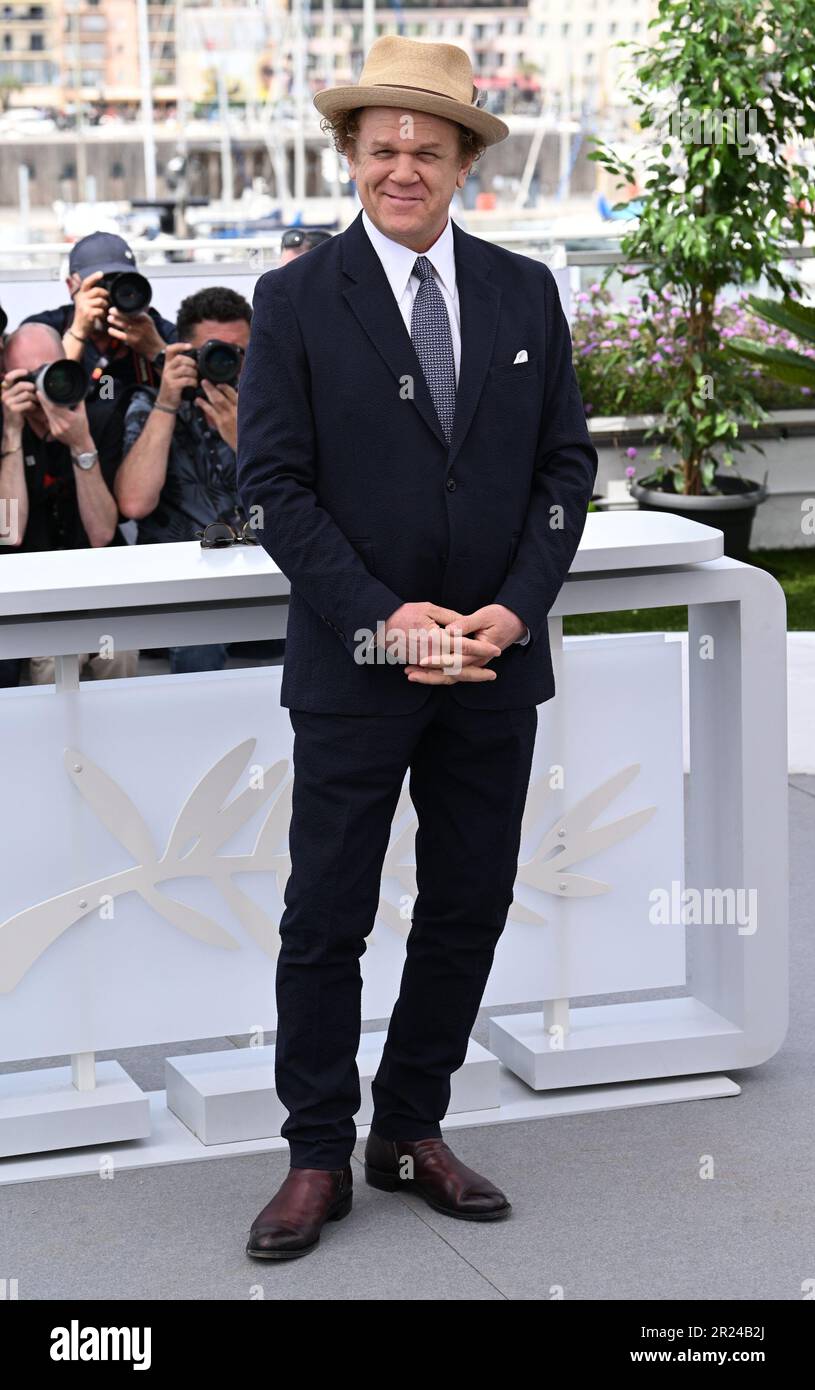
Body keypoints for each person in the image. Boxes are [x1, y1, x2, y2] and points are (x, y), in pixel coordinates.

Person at [236, 35, 598, 1259]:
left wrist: (512, 604)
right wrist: (385, 620)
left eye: (426, 150)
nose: (403, 166)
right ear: (350, 155)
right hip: (357, 663)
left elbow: (563, 467)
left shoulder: (522, 291)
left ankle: (411, 1127)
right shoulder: (291, 302)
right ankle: (314, 1153)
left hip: (494, 658)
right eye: (382, 146)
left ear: (461, 165)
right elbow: (275, 488)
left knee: (467, 904)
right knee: (325, 911)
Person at [115, 286, 253, 674]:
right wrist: (167, 401)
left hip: (261, 579)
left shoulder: (272, 404)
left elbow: (309, 494)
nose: (227, 363)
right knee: (200, 644)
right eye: (213, 351)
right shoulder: (150, 402)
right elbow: (134, 504)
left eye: (238, 353)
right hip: (181, 585)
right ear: (185, 352)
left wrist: (245, 440)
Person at [0, 323, 138, 684]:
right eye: (30, 377)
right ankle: (58, 742)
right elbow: (8, 534)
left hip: (95, 583)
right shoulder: (5, 426)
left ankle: (120, 737)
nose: (45, 386)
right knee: (54, 662)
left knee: (117, 651)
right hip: (31, 594)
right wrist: (12, 436)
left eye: (51, 372)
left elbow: (102, 533)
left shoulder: (98, 416)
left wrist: (81, 445)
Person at [22, 231, 177, 492]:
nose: (112, 295)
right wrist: (78, 333)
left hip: (145, 478)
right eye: (101, 285)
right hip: (69, 476)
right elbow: (37, 405)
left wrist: (156, 351)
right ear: (72, 286)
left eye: (122, 283)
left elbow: (197, 389)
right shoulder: (47, 329)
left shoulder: (156, 329)